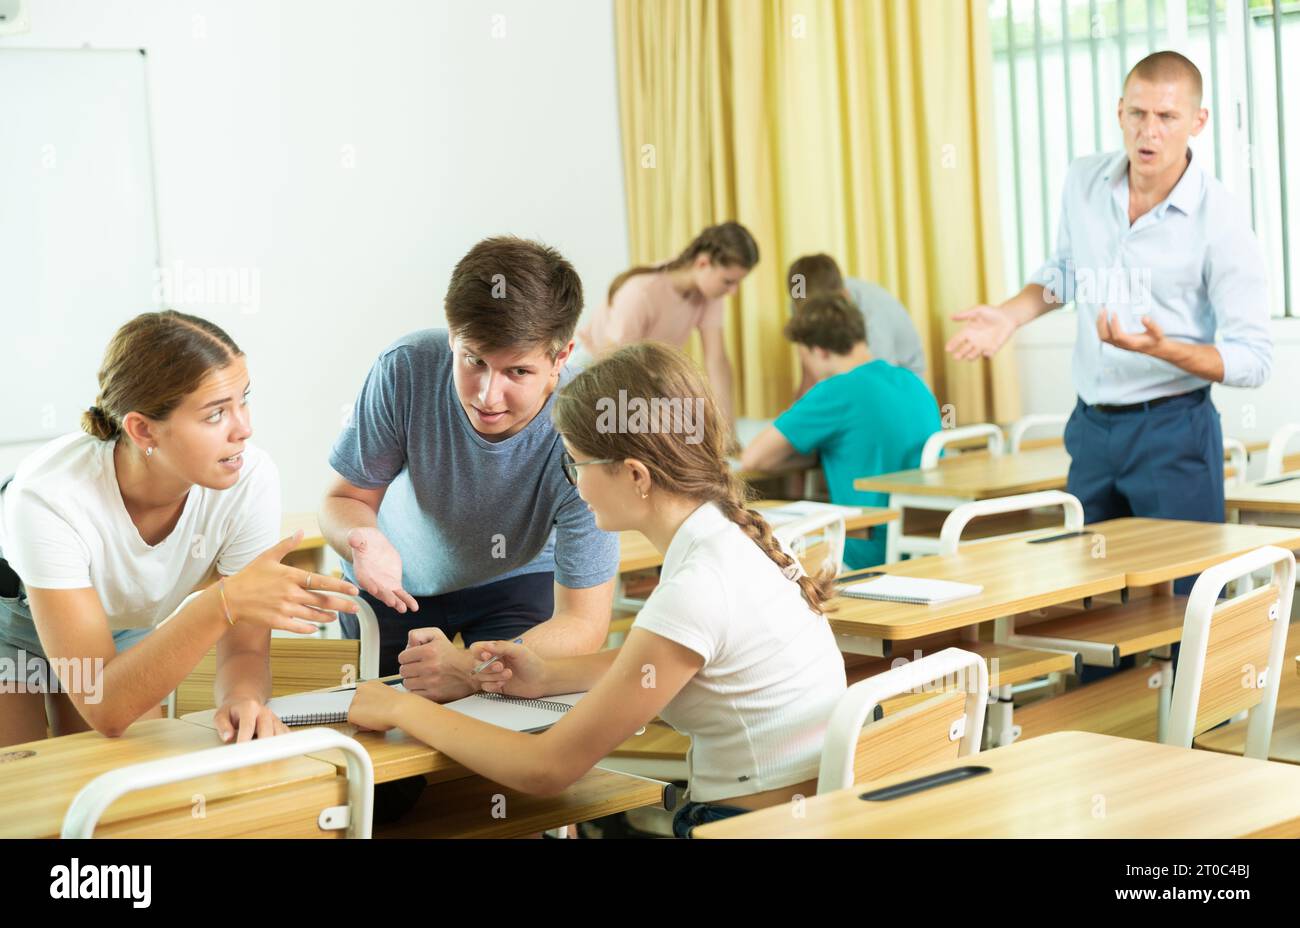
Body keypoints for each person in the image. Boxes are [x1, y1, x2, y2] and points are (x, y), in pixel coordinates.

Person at [348, 342, 847, 837]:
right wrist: (544, 676)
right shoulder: (736, 538)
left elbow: (546, 768)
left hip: (739, 826)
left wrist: (401, 708)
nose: (573, 485)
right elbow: (661, 662)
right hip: (795, 817)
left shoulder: (697, 587)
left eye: (575, 464)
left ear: (635, 475)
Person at [946, 50, 1271, 547]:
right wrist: (1010, 316)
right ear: (1120, 111)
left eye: (1167, 117)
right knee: (1091, 598)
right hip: (1092, 429)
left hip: (1174, 431)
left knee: (1186, 598)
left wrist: (1162, 350)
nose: (1149, 131)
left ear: (1198, 121)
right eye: (1138, 114)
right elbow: (1067, 272)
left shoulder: (1222, 220)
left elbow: (1254, 360)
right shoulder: (1083, 180)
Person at [0, 310, 359, 747]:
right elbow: (106, 707)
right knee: (21, 790)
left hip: (123, 617)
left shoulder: (249, 478)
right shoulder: (49, 496)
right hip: (11, 623)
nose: (244, 429)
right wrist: (223, 602)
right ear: (143, 429)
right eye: (215, 415)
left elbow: (245, 648)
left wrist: (242, 698)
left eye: (244, 399)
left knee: (122, 783)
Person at [320, 236, 620, 700]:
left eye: (517, 372)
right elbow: (344, 499)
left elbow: (584, 621)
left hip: (516, 575)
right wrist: (364, 541)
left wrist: (469, 668)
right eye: (473, 361)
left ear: (561, 356)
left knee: (511, 731)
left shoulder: (589, 421)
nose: (486, 395)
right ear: (451, 336)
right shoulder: (405, 369)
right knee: (386, 743)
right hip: (396, 581)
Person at [741, 294, 941, 568]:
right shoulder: (911, 381)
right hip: (924, 543)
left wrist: (814, 454)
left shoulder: (836, 391)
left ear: (820, 351)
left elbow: (754, 458)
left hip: (867, 551)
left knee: (756, 552)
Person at [577, 221, 759, 422]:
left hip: (643, 371)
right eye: (728, 281)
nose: (733, 291)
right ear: (703, 263)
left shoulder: (711, 292)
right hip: (593, 368)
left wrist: (728, 432)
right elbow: (612, 363)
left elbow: (717, 361)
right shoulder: (641, 292)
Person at [786, 253, 926, 394]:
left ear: (844, 295)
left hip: (902, 382)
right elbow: (810, 372)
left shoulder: (873, 316)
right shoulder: (800, 301)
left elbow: (879, 382)